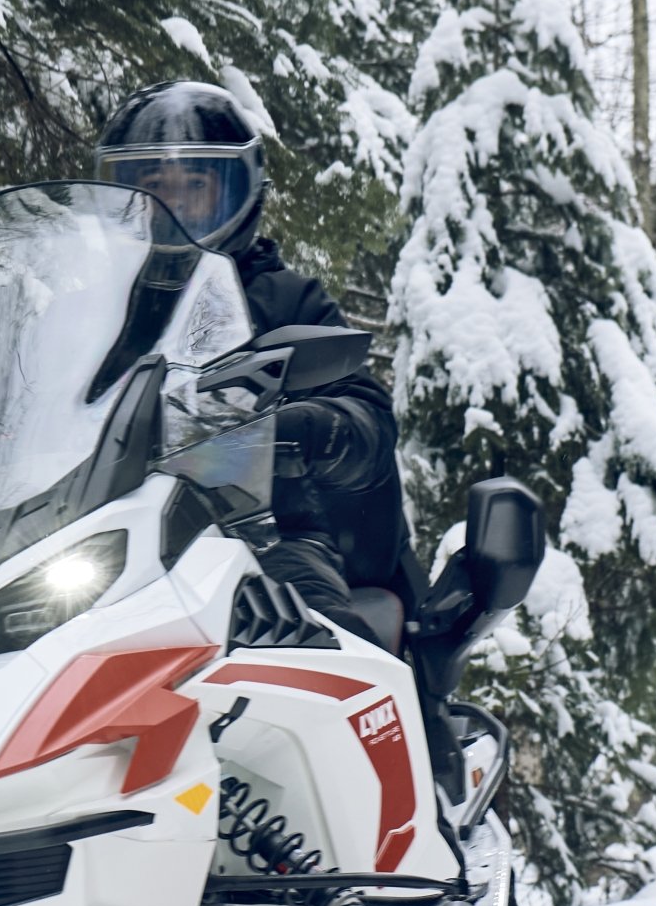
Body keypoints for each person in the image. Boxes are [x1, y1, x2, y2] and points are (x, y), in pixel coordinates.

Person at [94, 80, 417, 643]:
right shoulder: (88, 310)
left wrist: (313, 428)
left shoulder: (284, 299)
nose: (170, 207)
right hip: (98, 538)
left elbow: (365, 412)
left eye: (194, 187)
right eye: (149, 185)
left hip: (265, 539)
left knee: (318, 650)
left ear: (237, 193)